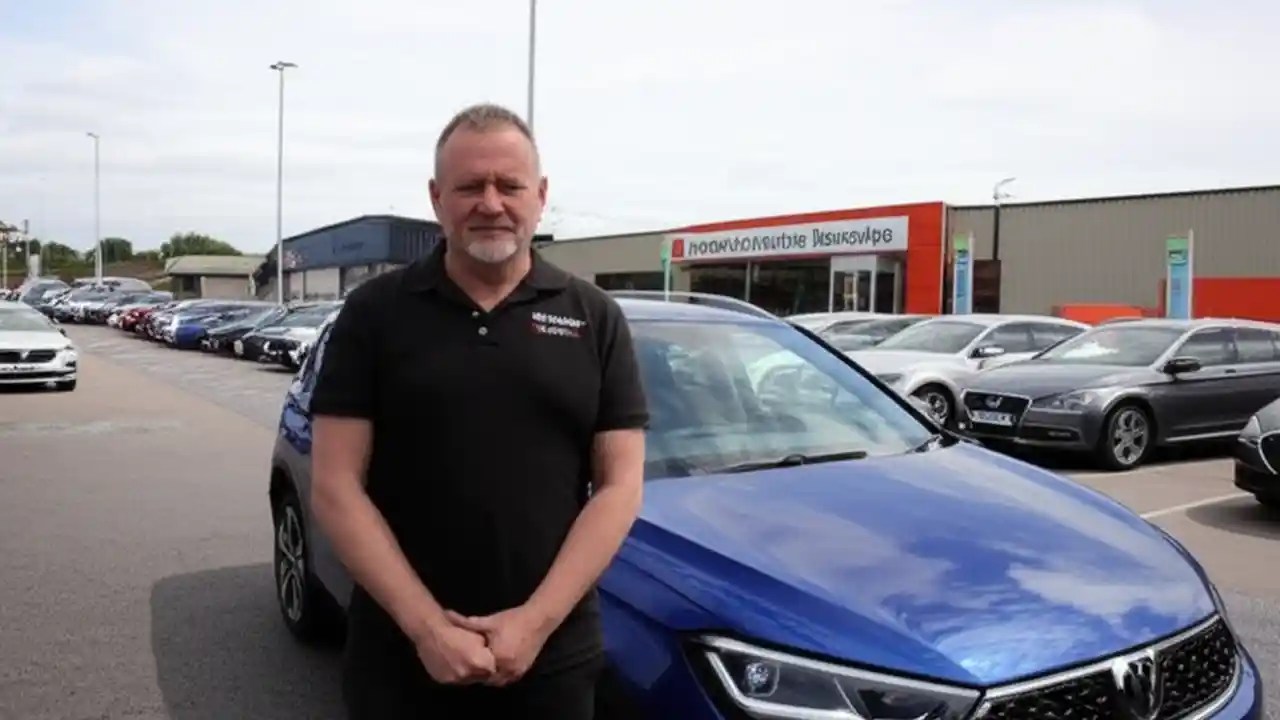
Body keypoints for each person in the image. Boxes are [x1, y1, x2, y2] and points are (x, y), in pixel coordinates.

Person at [307, 102, 649, 719]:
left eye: (509, 185)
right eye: (469, 186)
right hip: (399, 658)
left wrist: (536, 624)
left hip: (553, 658)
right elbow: (334, 485)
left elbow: (620, 486)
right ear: (437, 198)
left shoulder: (594, 318)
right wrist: (425, 628)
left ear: (540, 196)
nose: (490, 203)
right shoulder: (375, 313)